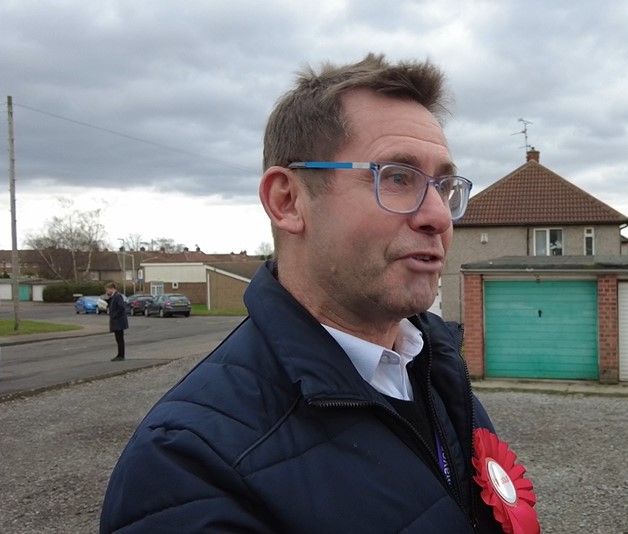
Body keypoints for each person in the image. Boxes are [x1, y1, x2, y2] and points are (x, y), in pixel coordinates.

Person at [100, 53, 538, 533]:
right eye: (396, 177)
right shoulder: (189, 463)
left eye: (443, 186)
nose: (438, 215)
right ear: (287, 202)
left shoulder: (436, 370)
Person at [104, 282, 128, 362]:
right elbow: (111, 305)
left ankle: (121, 355)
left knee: (120, 339)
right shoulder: (114, 296)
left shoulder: (118, 296)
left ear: (112, 288)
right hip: (117, 321)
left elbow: (121, 307)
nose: (107, 292)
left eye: (107, 290)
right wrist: (108, 299)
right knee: (118, 339)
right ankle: (119, 354)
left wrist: (114, 315)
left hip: (119, 321)